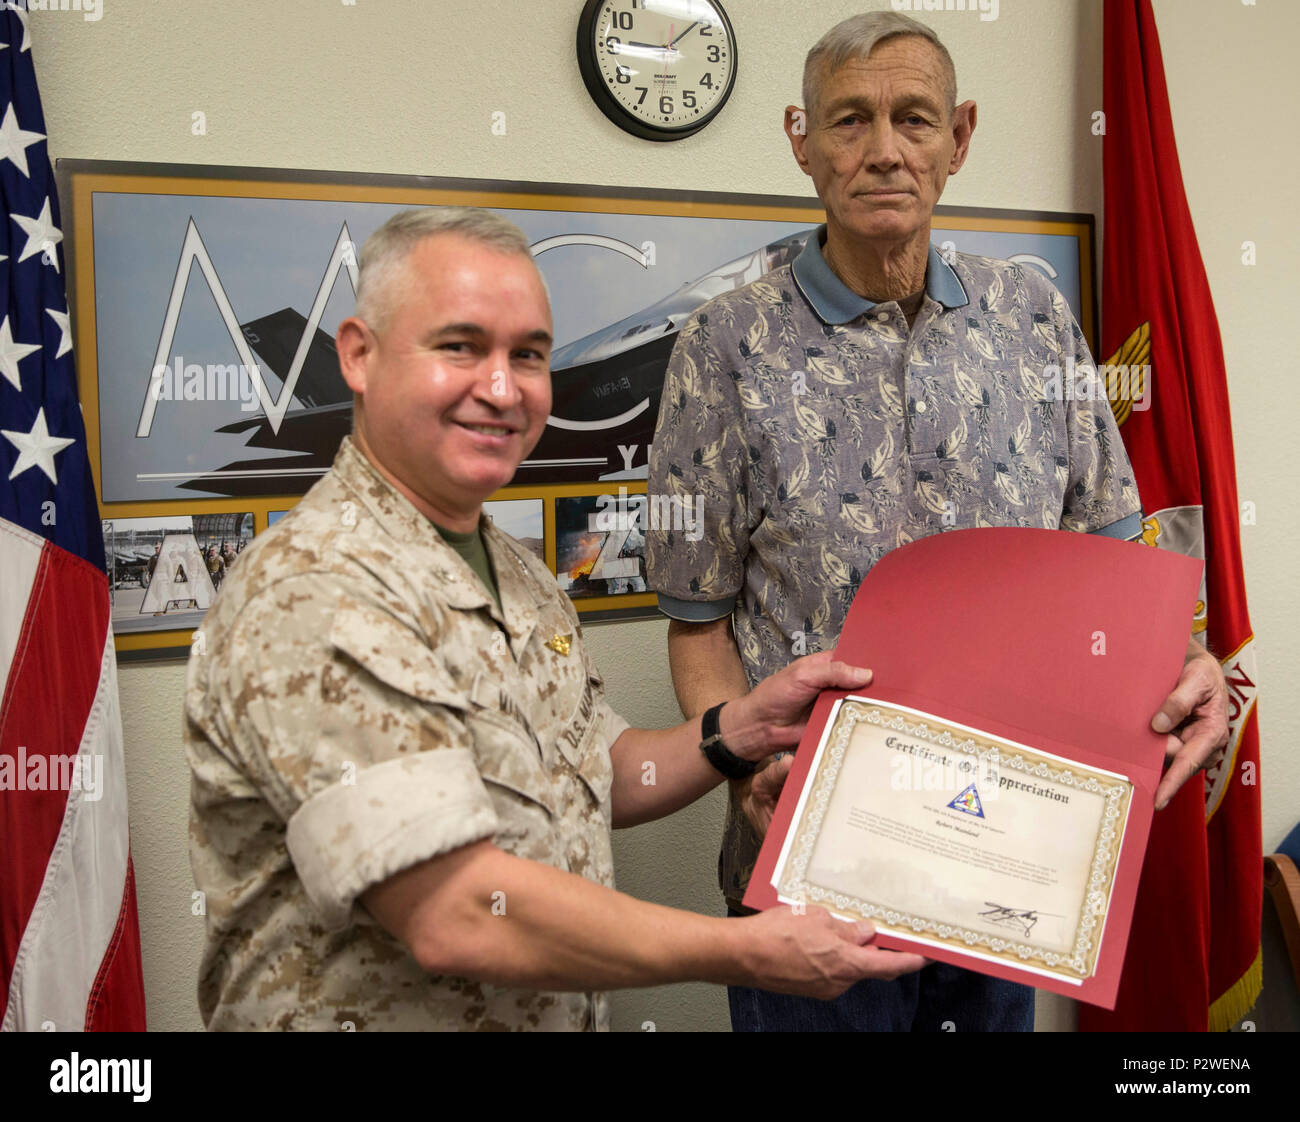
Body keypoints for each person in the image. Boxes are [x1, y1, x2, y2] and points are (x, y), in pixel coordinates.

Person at [183, 206, 926, 1032]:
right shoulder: (315, 589)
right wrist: (748, 951)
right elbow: (453, 911)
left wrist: (740, 729)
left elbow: (605, 770)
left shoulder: (517, 575)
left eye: (527, 355)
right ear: (358, 356)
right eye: (460, 346)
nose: (502, 388)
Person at [645, 11, 1230, 1033]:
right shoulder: (724, 343)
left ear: (957, 139)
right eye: (847, 121)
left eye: (912, 119)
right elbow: (697, 619)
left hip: (1008, 851)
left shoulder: (1032, 314)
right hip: (813, 859)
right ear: (800, 140)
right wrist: (747, 762)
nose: (881, 151)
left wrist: (1185, 665)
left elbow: (1110, 557)